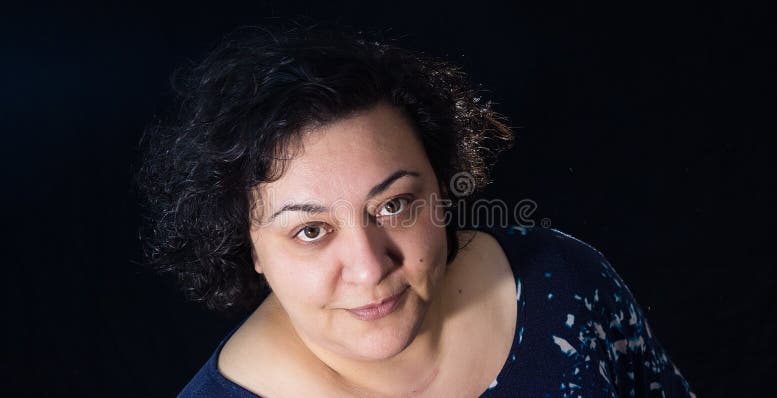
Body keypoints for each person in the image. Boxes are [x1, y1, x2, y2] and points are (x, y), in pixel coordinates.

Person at [137, 23, 695, 397]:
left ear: (442, 188)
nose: (370, 266)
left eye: (395, 204)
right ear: (247, 245)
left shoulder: (565, 280)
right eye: (310, 231)